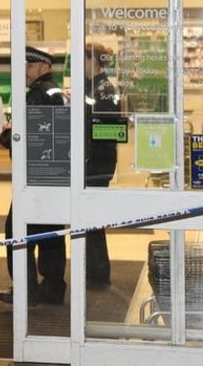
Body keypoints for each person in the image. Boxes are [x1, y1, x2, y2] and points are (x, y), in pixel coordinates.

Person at [0, 46, 68, 305]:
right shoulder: (57, 92)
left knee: (16, 230)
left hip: (35, 176)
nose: (24, 71)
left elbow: (26, 138)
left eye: (29, 66)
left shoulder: (37, 96)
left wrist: (6, 136)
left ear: (44, 67)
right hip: (54, 174)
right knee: (50, 233)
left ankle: (25, 289)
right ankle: (53, 287)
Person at [84, 43, 119, 288]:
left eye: (82, 59)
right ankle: (94, 271)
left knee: (92, 219)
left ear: (93, 61)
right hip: (95, 159)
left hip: (97, 161)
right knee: (89, 219)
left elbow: (106, 128)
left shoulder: (102, 89)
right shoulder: (95, 87)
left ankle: (98, 274)